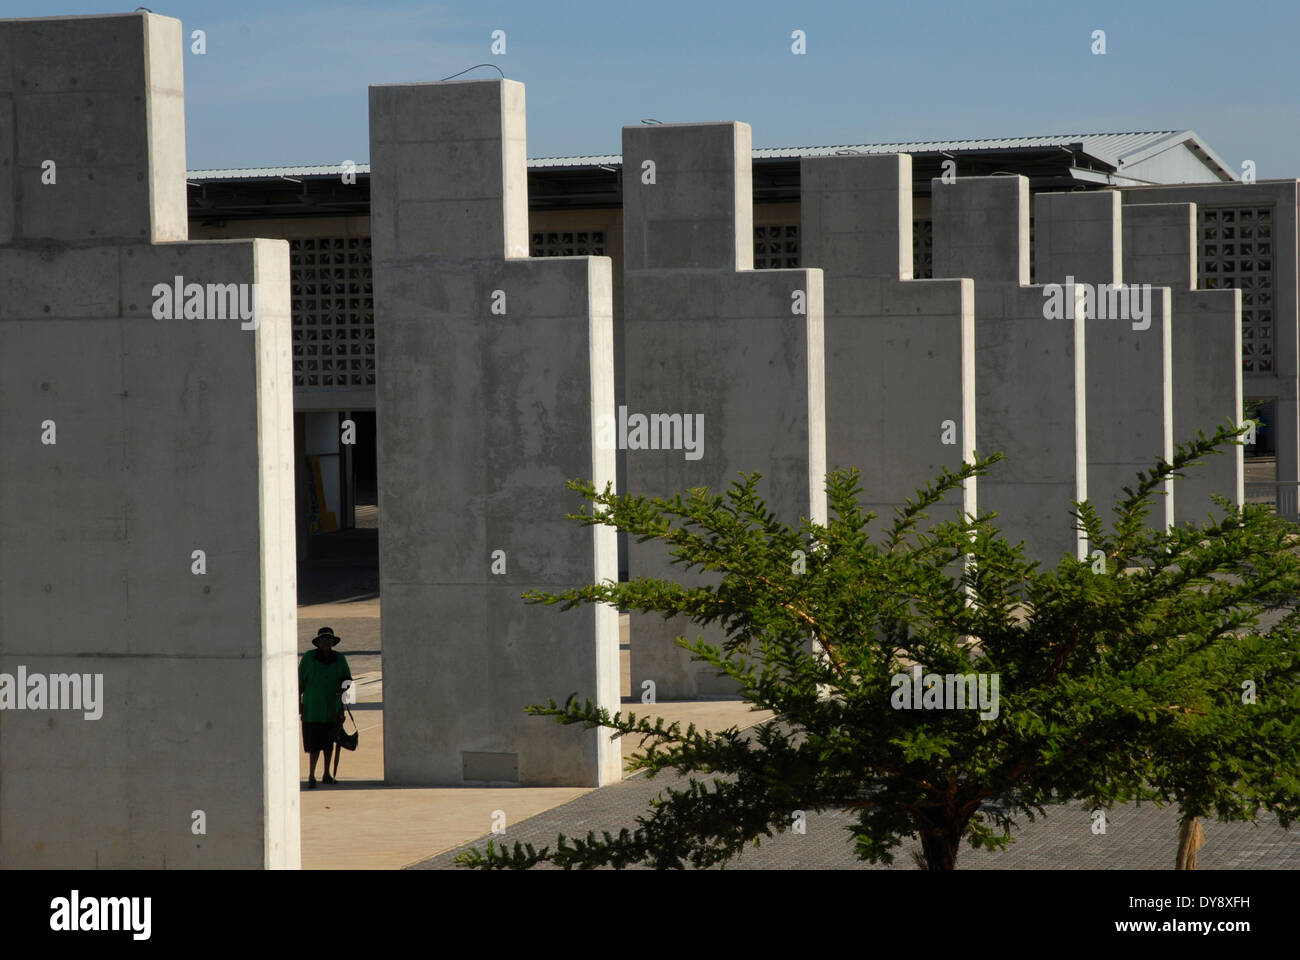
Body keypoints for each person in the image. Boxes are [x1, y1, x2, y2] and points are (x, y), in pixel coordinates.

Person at [299, 626, 352, 788]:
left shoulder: (340, 659)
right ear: (318, 642)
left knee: (329, 744)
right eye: (323, 640)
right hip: (312, 709)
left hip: (332, 709)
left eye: (329, 640)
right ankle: (311, 775)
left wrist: (343, 708)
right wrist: (298, 704)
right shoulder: (308, 657)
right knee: (313, 745)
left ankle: (327, 773)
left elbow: (347, 681)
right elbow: (300, 682)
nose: (326, 643)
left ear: (332, 642)